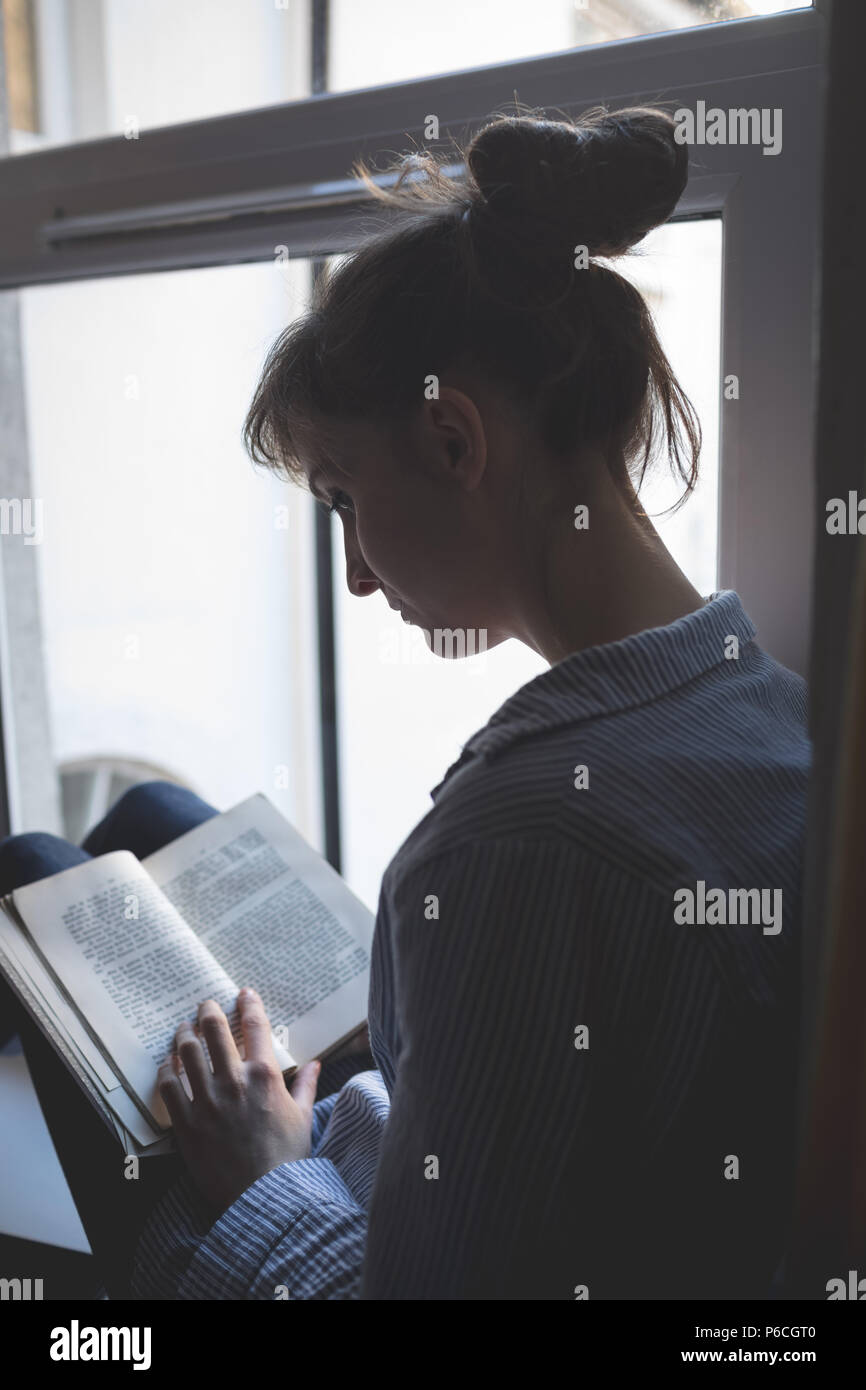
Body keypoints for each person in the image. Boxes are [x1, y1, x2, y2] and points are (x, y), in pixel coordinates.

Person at [1, 105, 810, 1299]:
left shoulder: (508, 843)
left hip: (333, 1235)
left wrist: (263, 1176)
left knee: (34, 864)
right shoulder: (765, 694)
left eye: (339, 497)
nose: (357, 573)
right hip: (479, 1155)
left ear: (449, 440)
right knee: (155, 814)